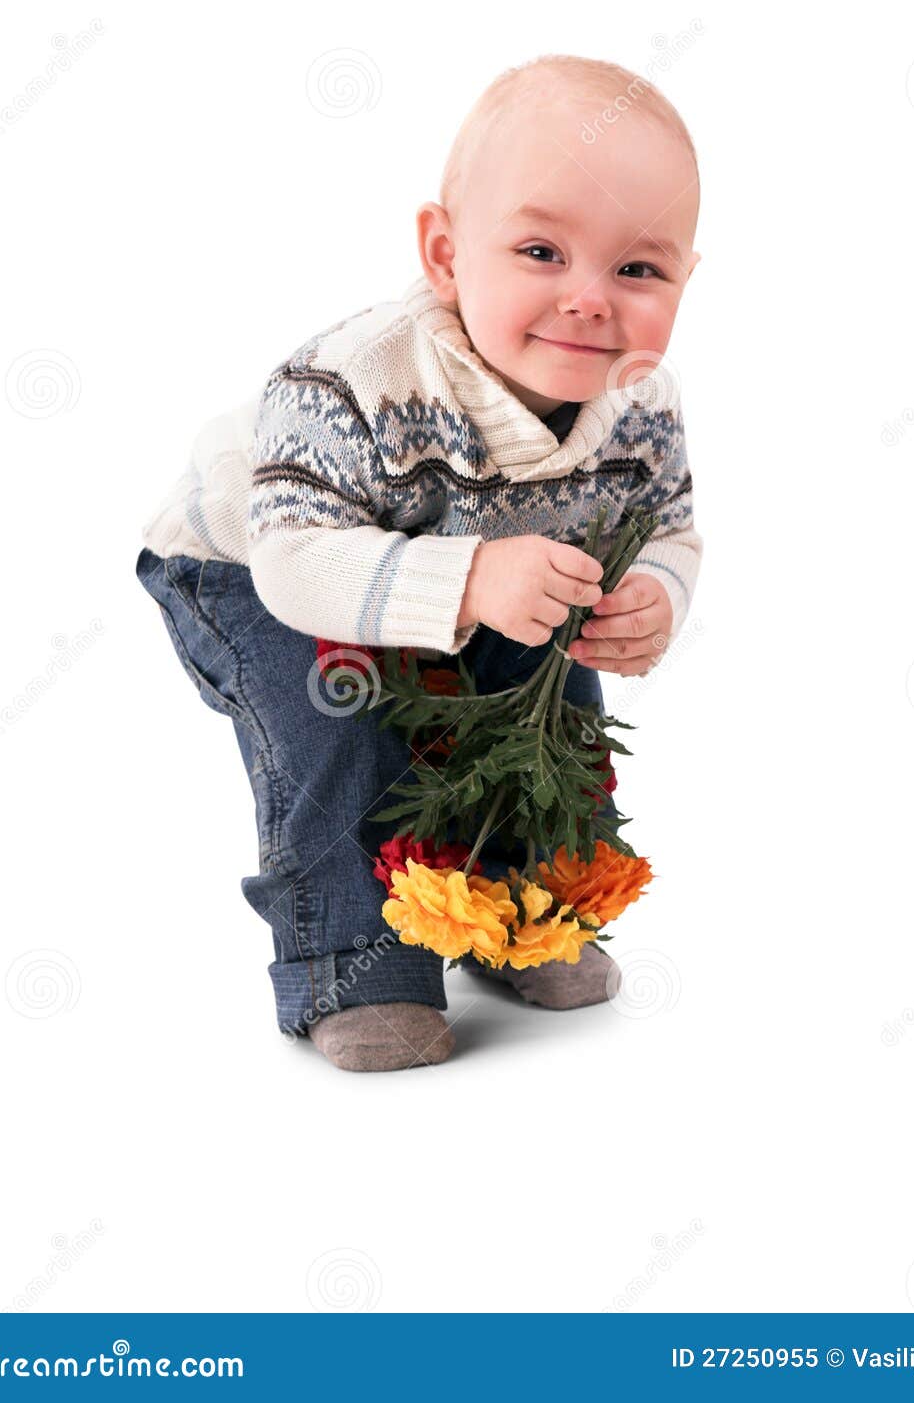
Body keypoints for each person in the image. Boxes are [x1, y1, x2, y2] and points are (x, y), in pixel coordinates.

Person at [135, 52, 703, 1072]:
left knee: (545, 678)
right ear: (444, 254)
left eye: (637, 269)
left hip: (463, 562)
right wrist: (473, 582)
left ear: (684, 279)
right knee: (338, 710)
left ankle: (526, 910)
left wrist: (654, 594)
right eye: (539, 249)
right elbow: (296, 561)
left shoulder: (640, 407)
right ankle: (354, 963)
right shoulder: (352, 383)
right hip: (251, 565)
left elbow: (664, 525)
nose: (587, 299)